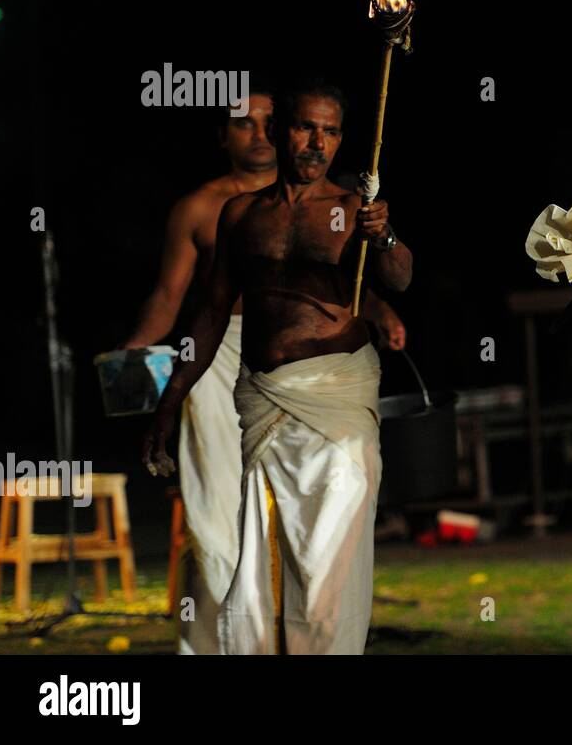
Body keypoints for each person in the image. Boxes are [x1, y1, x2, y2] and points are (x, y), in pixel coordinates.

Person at [124, 87, 406, 654]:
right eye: (305, 128)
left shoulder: (355, 209)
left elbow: (398, 278)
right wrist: (170, 399)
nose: (316, 143)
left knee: (331, 556)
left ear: (342, 140)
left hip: (336, 399)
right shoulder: (240, 214)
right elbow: (208, 312)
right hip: (264, 399)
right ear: (282, 132)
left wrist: (386, 237)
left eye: (329, 132)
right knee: (263, 555)